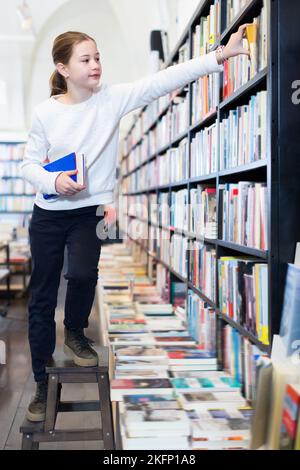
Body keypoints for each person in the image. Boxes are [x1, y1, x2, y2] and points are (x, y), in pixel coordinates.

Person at [20, 26, 250, 422]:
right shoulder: (45, 113)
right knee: (40, 298)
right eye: (85, 60)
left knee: (81, 274)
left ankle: (75, 330)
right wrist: (53, 180)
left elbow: (161, 81)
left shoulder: (110, 99)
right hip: (49, 214)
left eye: (97, 57)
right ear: (63, 68)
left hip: (88, 211)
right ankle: (41, 382)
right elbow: (28, 164)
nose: (95, 65)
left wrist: (218, 57)